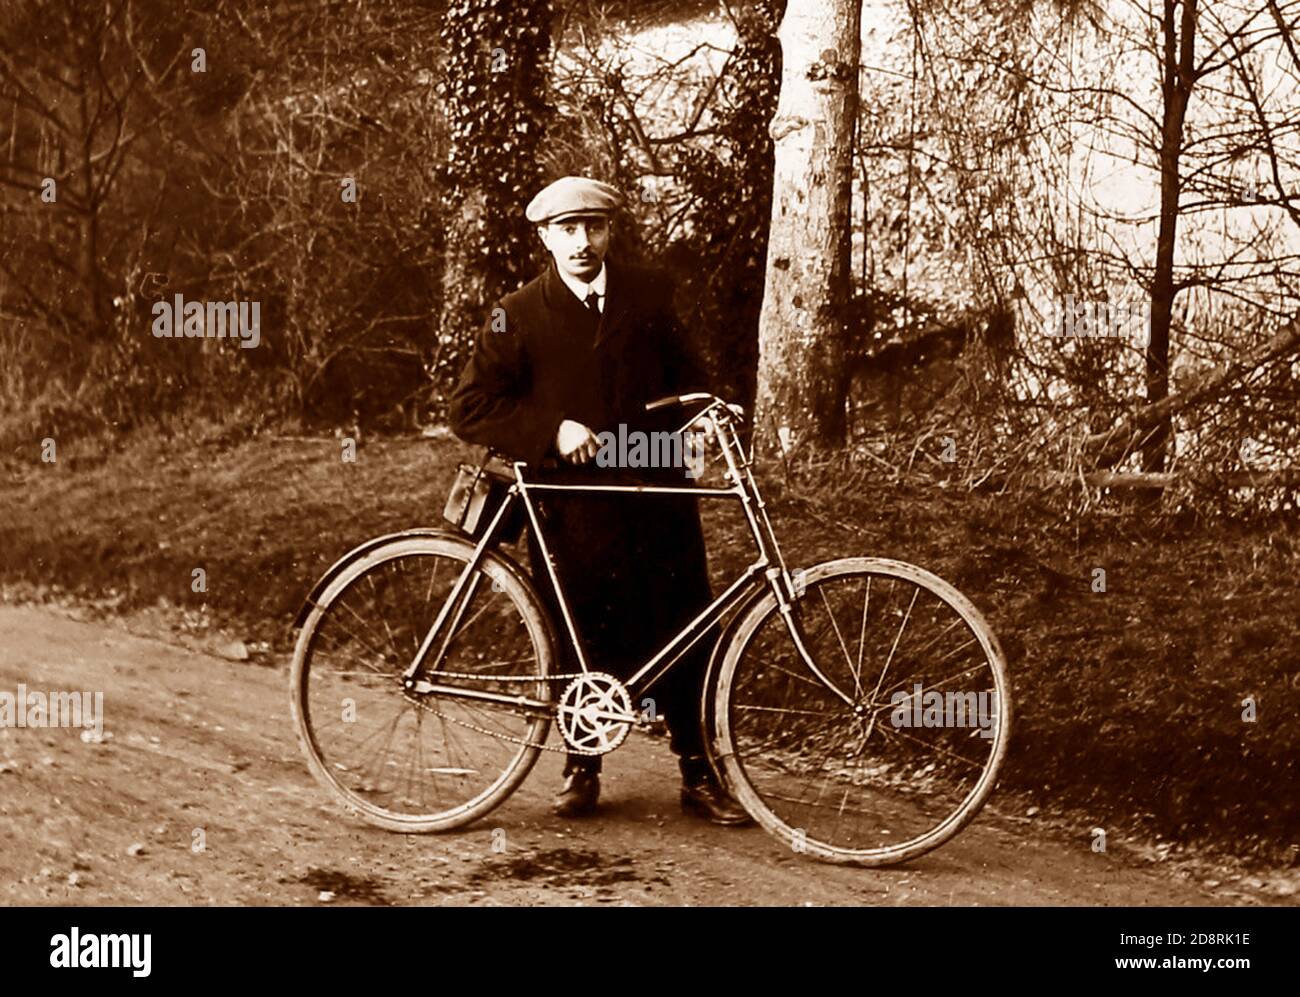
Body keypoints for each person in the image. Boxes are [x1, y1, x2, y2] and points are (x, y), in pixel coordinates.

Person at [448, 175, 751, 825]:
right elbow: (471, 406)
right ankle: (581, 763)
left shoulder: (649, 292)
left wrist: (704, 411)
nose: (582, 242)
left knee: (687, 626)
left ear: (611, 231)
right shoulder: (518, 312)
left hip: (658, 494)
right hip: (571, 508)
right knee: (583, 630)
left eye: (593, 227)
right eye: (567, 230)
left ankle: (699, 770)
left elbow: (689, 373)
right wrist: (551, 428)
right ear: (545, 237)